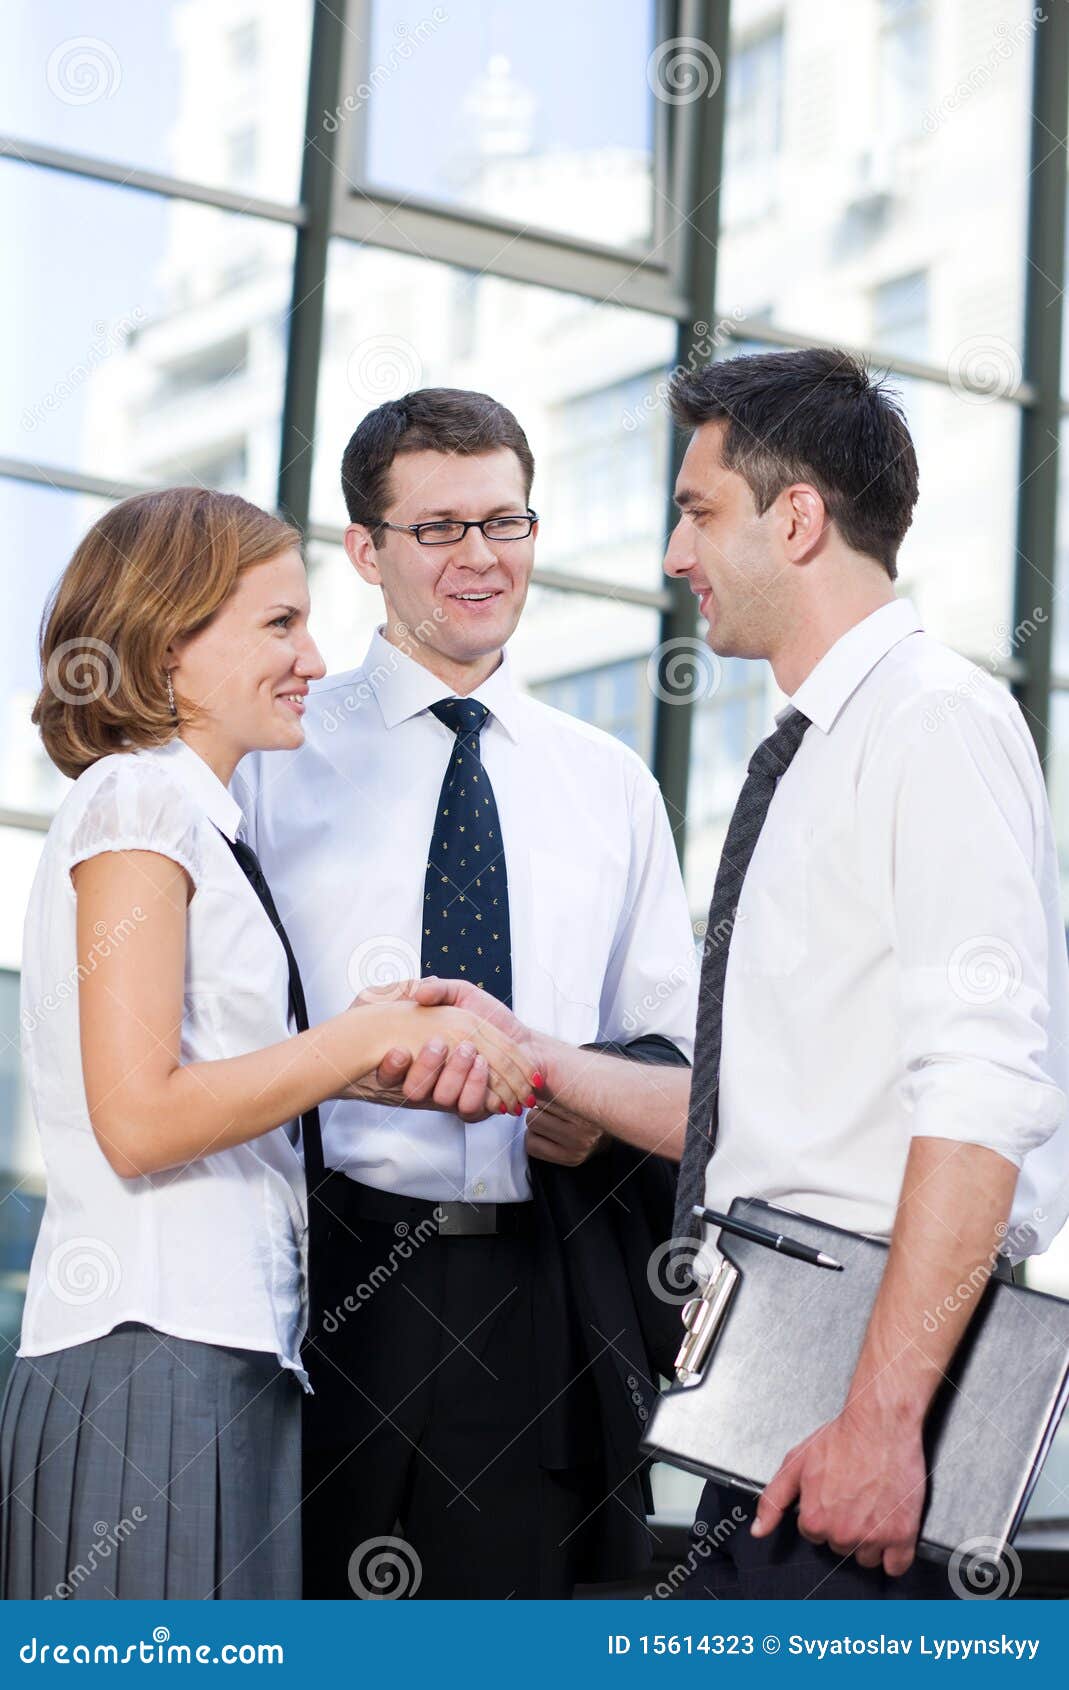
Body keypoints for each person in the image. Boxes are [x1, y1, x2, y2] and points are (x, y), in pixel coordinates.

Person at [0, 487, 532, 1601]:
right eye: (279, 623)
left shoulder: (187, 817)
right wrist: (354, 1041)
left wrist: (379, 1051)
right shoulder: (140, 806)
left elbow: (210, 1084)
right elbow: (140, 1119)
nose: (315, 654)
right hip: (156, 1342)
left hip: (217, 1345)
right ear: (167, 639)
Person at [234, 388, 699, 1599]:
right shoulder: (273, 755)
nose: (480, 556)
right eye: (437, 527)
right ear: (365, 550)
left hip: (537, 1286)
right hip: (313, 1278)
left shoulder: (607, 783)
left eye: (505, 520)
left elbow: (679, 1051)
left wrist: (589, 1102)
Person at [656, 348, 1069, 1598]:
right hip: (778, 1409)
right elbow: (793, 1098)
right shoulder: (810, 754)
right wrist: (542, 1070)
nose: (676, 558)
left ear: (795, 518)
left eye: (697, 512)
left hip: (870, 1423)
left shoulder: (930, 719)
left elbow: (985, 1090)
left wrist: (882, 1421)